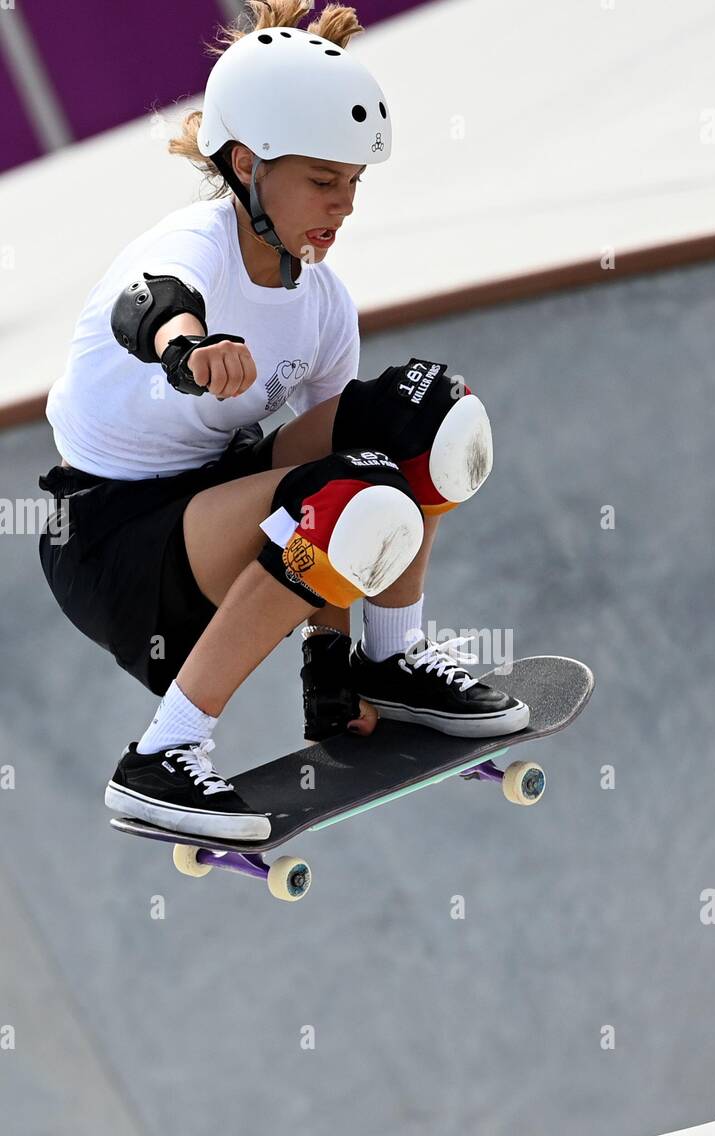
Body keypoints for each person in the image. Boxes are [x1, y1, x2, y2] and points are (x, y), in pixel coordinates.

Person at [38, 1, 528, 844]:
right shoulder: (196, 244)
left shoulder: (322, 304)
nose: (342, 208)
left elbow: (355, 472)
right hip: (109, 539)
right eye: (321, 182)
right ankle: (163, 757)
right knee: (346, 493)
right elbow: (148, 302)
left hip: (215, 497)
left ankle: (385, 665)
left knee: (423, 425)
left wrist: (327, 676)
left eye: (353, 184)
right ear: (245, 166)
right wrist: (190, 350)